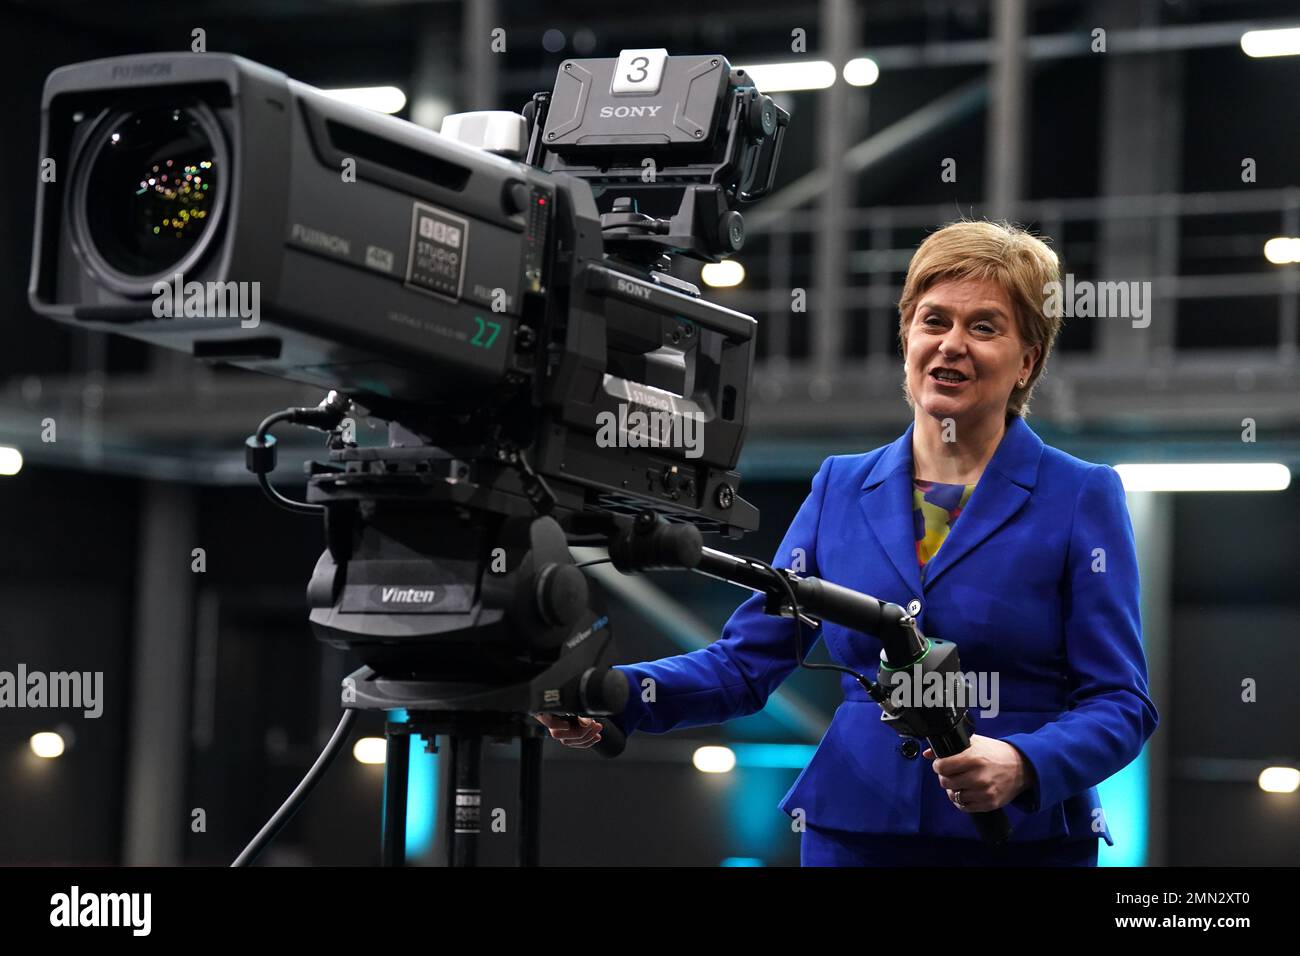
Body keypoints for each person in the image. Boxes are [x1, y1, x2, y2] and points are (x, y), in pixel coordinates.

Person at [535, 219, 1159, 866]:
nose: (951, 345)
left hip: (1019, 843)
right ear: (907, 336)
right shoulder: (841, 485)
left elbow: (1121, 702)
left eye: (984, 327)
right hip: (854, 834)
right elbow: (745, 666)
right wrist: (615, 698)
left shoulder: (1082, 495)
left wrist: (1024, 762)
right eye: (933, 321)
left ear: (1028, 360)